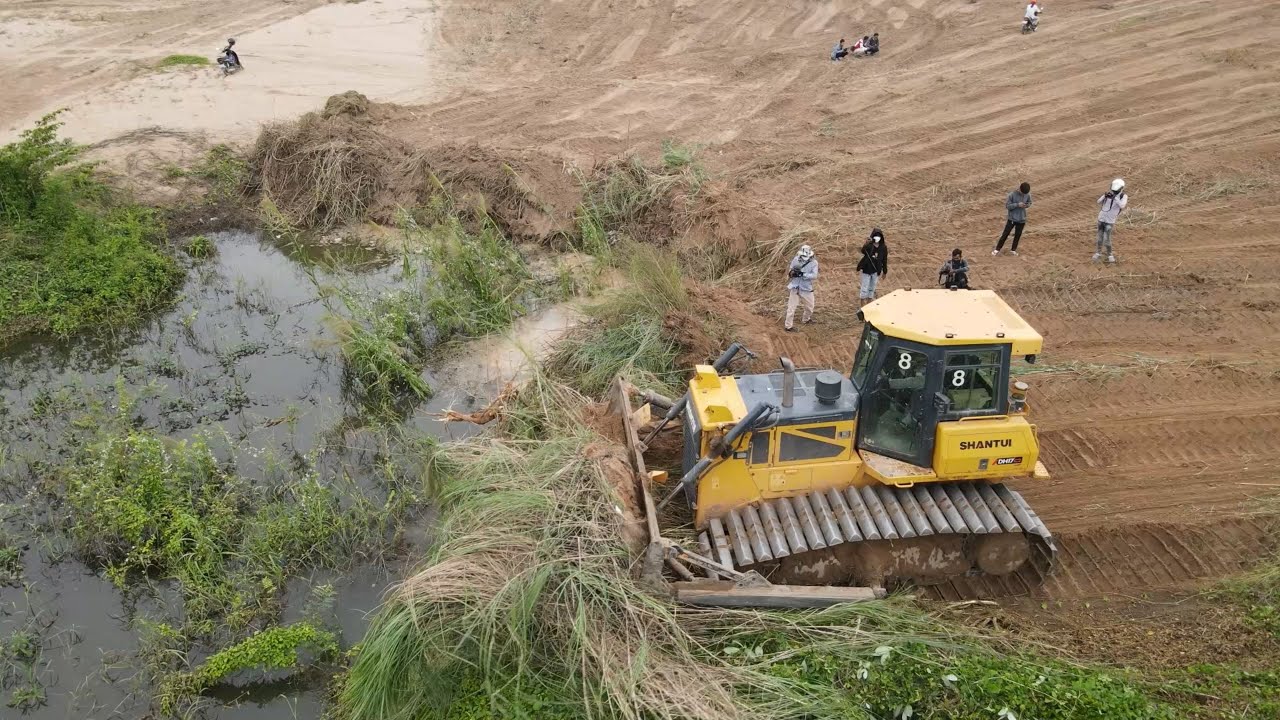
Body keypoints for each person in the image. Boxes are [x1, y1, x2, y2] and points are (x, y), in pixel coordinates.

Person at [784, 245, 819, 331]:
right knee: (791, 308)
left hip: (806, 288)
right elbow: (790, 271)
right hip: (795, 287)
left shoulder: (814, 263)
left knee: (810, 307)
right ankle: (788, 326)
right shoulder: (795, 259)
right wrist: (792, 273)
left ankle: (806, 319)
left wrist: (803, 274)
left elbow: (814, 275)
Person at [993, 182, 1032, 256]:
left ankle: (1013, 250)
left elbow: (1030, 202)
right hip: (1012, 219)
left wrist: (1026, 205)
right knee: (1005, 234)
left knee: (1017, 235)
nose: (1024, 195)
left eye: (1025, 194)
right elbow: (1008, 206)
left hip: (1022, 219)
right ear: (1020, 189)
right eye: (1023, 193)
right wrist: (1017, 205)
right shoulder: (1012, 195)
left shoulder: (1027, 194)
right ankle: (997, 249)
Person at [1094, 178, 1127, 263]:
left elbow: (1122, 206)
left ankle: (1110, 255)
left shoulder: (1123, 196)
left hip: (1110, 221)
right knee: (1099, 238)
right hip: (1101, 219)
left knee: (1107, 239)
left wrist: (1115, 198)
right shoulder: (1108, 193)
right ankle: (1098, 253)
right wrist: (1104, 196)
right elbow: (1098, 202)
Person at [856, 228, 888, 308]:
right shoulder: (869, 245)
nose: (877, 237)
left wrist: (884, 271)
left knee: (872, 288)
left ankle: (869, 305)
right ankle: (863, 308)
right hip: (867, 270)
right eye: (875, 235)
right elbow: (863, 251)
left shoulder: (883, 247)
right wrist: (866, 243)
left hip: (875, 271)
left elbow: (884, 259)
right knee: (864, 288)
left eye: (879, 236)